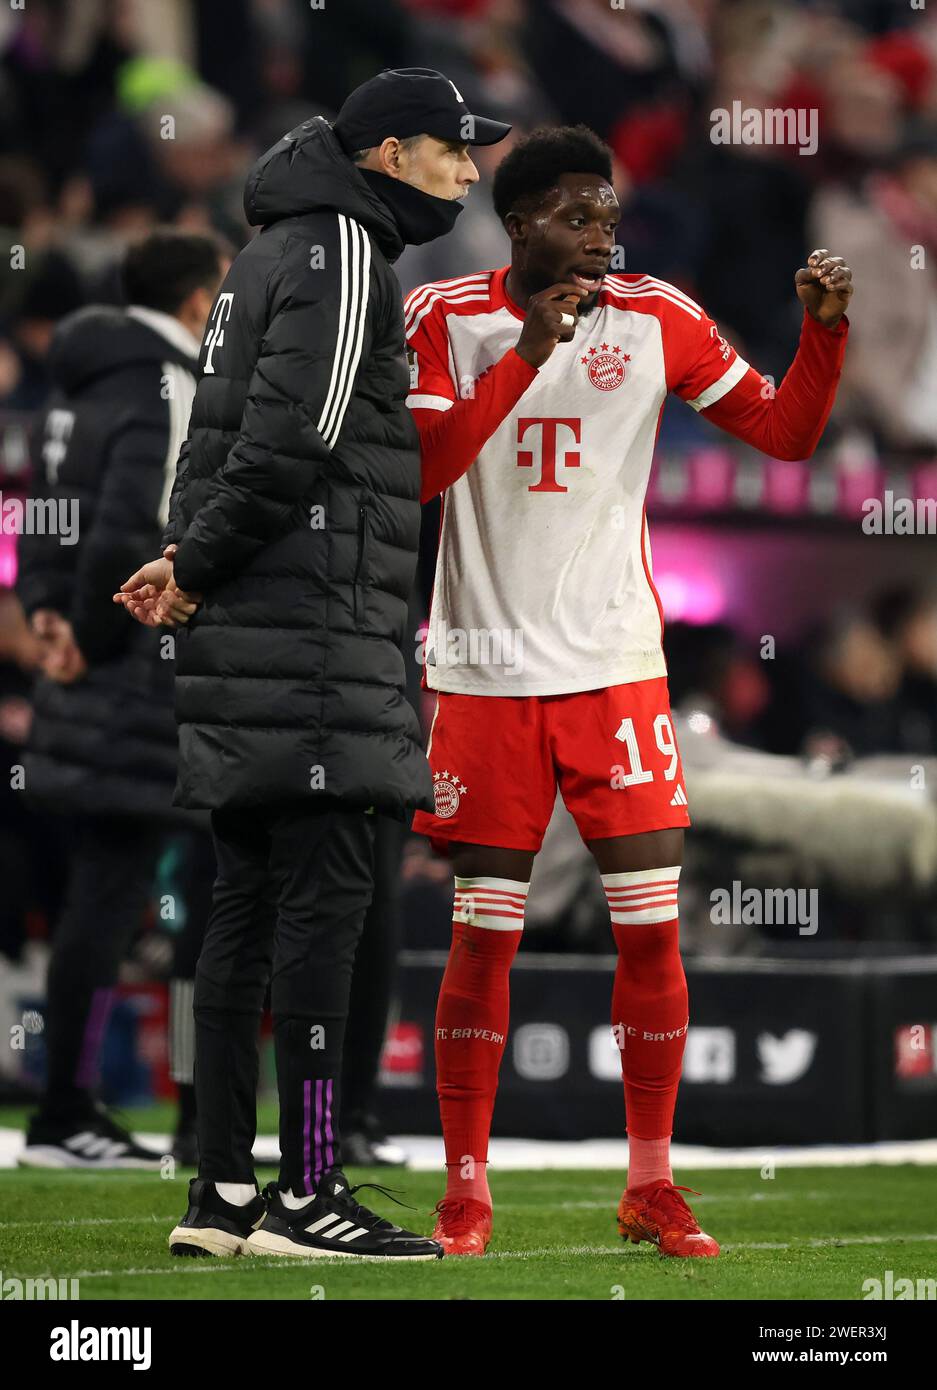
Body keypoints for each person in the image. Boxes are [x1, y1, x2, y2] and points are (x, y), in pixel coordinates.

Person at [405, 124, 853, 1257]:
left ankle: (650, 1182)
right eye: (575, 215)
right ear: (517, 223)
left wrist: (824, 334)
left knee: (651, 940)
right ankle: (468, 1191)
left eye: (609, 215)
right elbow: (417, 473)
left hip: (615, 671)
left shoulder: (661, 315)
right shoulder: (447, 316)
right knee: (482, 945)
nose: (601, 236)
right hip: (484, 674)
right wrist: (525, 351)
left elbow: (786, 434)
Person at [117, 69, 510, 1259]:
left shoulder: (267, 249)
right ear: (390, 152)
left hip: (259, 638)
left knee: (239, 917)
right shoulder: (346, 246)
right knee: (324, 922)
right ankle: (313, 1188)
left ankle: (221, 1194)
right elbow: (298, 438)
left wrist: (192, 560)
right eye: (454, 148)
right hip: (321, 643)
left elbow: (231, 437)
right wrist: (193, 565)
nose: (470, 169)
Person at [15, 229, 227, 1167]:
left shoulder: (77, 385)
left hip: (81, 663)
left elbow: (42, 516)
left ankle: (73, 1106)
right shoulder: (167, 383)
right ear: (192, 301)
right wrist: (93, 636)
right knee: (191, 901)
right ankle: (168, 1113)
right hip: (146, 669)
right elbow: (123, 532)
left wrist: (44, 621)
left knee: (104, 898)